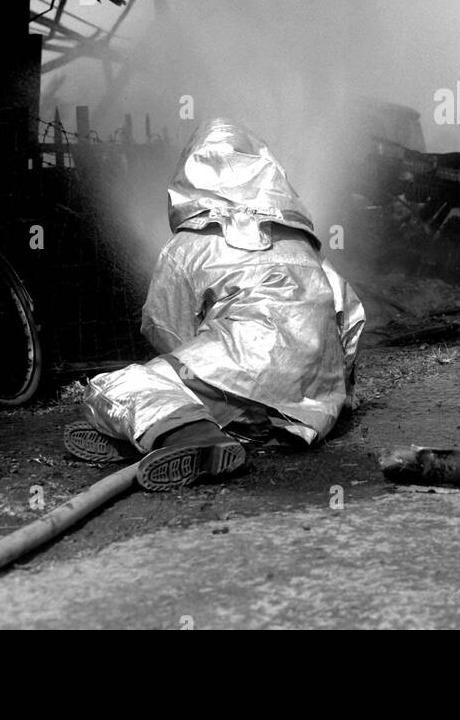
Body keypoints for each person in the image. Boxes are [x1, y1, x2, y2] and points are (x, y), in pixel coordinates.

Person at [64, 118, 365, 490]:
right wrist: (338, 395)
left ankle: (193, 436)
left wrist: (184, 378)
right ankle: (179, 428)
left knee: (114, 387)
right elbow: (349, 318)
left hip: (237, 390)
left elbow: (166, 328)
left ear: (190, 176)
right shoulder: (304, 245)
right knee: (187, 390)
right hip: (309, 410)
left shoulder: (187, 245)